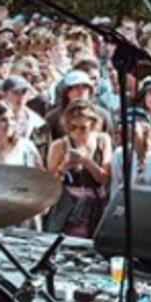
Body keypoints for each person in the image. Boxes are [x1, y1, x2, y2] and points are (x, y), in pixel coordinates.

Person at [46, 99, 113, 237]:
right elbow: (50, 184)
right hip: (68, 207)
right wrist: (64, 167)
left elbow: (104, 178)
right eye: (72, 127)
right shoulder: (59, 145)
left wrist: (87, 162)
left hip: (95, 206)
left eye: (83, 128)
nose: (77, 132)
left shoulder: (102, 141)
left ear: (93, 124)